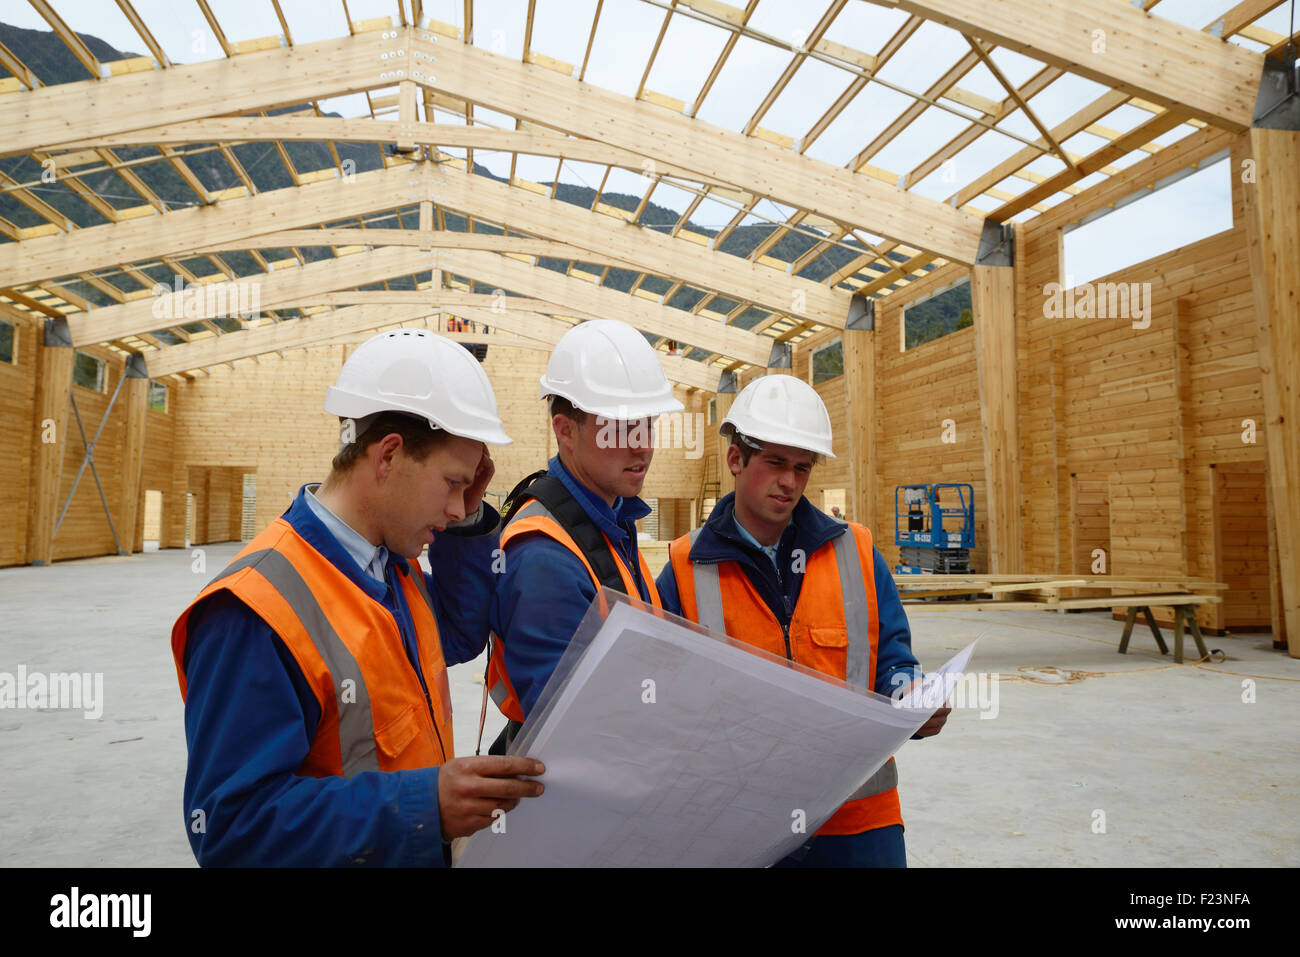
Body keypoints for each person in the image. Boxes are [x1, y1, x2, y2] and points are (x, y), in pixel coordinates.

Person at [170, 329, 545, 866]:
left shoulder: (392, 564)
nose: (460, 509)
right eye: (452, 482)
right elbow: (231, 828)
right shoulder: (253, 609)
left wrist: (471, 519)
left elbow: (456, 636)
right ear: (389, 456)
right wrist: (423, 805)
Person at [656, 373, 949, 868]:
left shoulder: (856, 551)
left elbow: (894, 661)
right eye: (774, 463)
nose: (789, 482)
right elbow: (665, 702)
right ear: (735, 459)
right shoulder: (685, 571)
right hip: (743, 826)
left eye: (801, 467)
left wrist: (912, 698)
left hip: (858, 827)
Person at [485, 319, 682, 749]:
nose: (642, 444)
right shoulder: (544, 558)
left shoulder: (612, 521)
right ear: (565, 431)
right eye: (621, 426)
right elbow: (575, 739)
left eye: (648, 423)